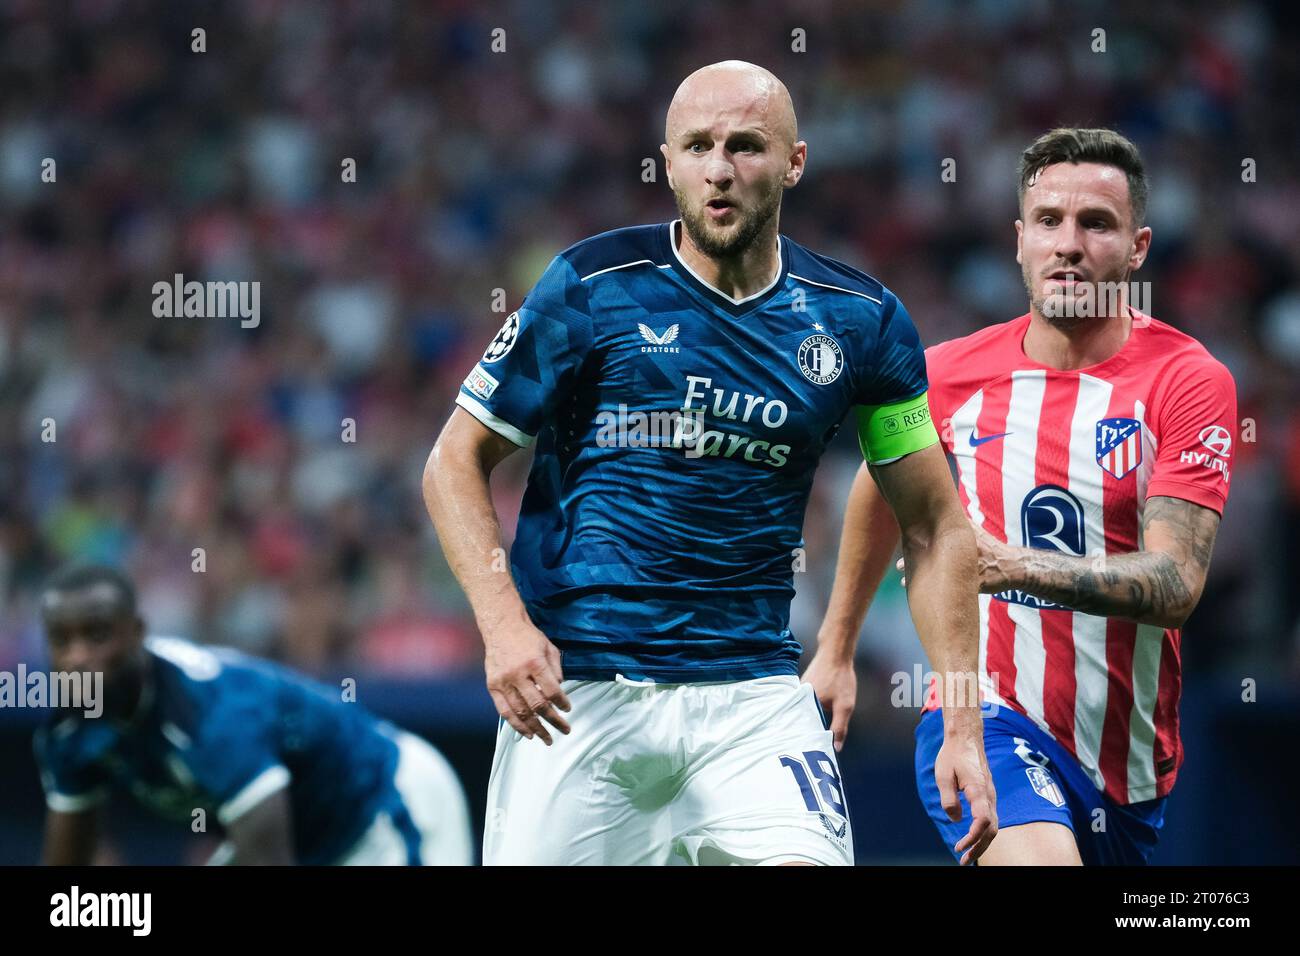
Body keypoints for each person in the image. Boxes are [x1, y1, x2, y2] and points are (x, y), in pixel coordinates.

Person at [423, 60, 995, 866]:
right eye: (697, 146)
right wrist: (503, 626)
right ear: (667, 163)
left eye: (746, 146)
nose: (719, 169)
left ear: (795, 162)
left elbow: (935, 526)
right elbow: (454, 462)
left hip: (755, 699)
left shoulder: (861, 321)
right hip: (582, 693)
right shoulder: (591, 285)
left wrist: (957, 723)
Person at [814, 128, 1236, 865]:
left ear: (1137, 248)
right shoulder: (945, 375)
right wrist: (836, 647)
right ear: (1019, 240)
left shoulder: (1188, 381)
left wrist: (1004, 565)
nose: (1067, 244)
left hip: (1129, 765)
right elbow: (878, 484)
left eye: (1095, 224)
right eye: (1048, 222)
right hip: (988, 722)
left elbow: (1175, 583)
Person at [35, 563, 473, 865]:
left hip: (384, 802)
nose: (77, 657)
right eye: (62, 640)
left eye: (96, 635)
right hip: (303, 836)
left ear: (137, 633)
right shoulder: (68, 731)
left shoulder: (208, 715)